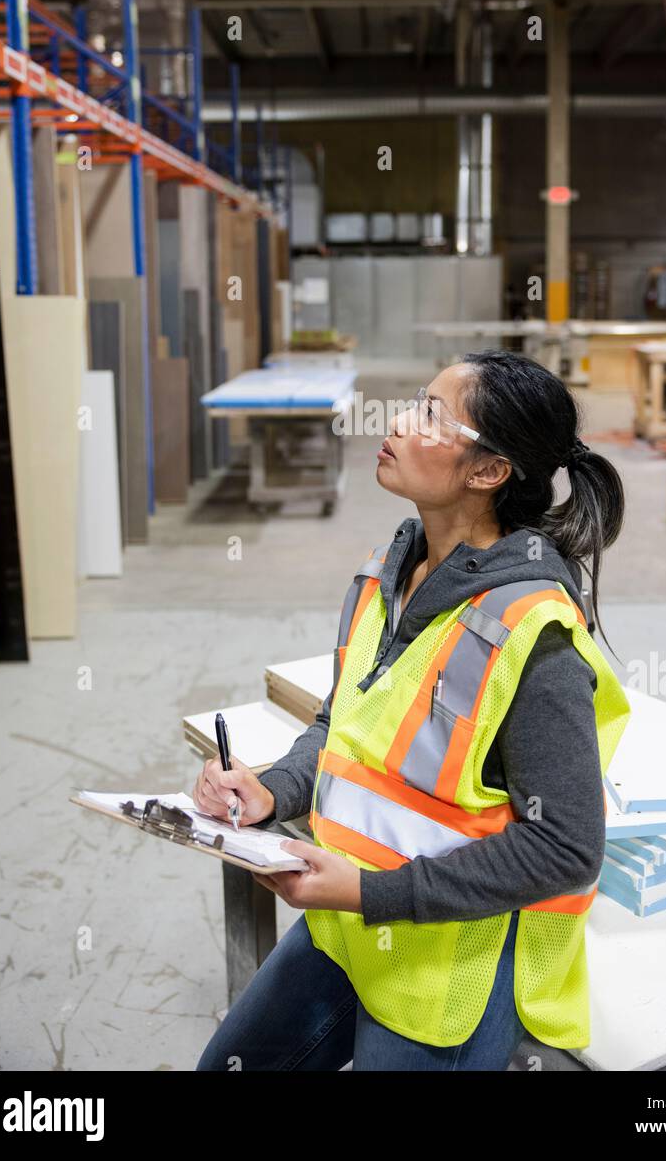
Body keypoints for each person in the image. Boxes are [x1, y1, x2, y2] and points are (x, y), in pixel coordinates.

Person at [195, 350, 630, 1071]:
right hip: (347, 924)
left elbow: (566, 848)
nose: (395, 421)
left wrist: (374, 891)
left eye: (430, 415)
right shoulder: (388, 572)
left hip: (444, 974)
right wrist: (273, 788)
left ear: (488, 471)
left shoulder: (534, 634)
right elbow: (344, 727)